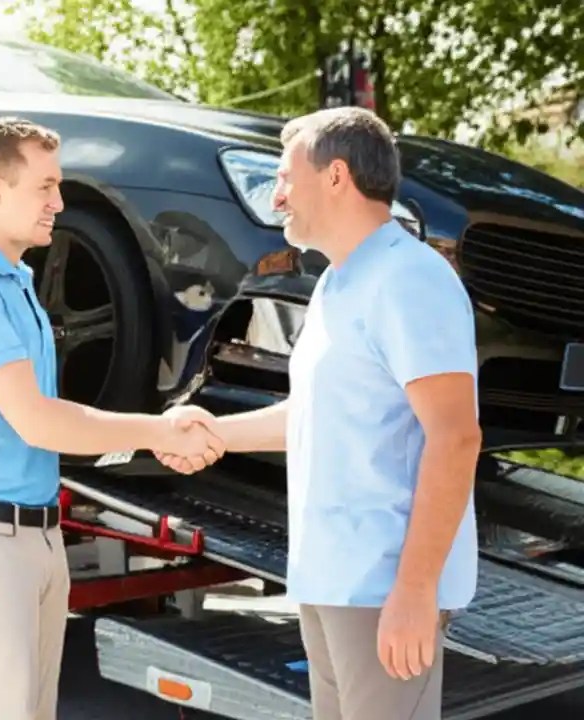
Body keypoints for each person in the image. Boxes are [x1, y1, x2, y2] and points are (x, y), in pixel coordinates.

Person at [159, 106, 482, 720]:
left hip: (383, 587)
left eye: (284, 177)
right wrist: (210, 432)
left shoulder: (409, 279)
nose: (276, 196)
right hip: (329, 581)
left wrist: (414, 592)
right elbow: (313, 416)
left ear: (336, 176)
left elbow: (457, 437)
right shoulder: (339, 282)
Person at [0, 116, 225, 720]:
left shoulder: (14, 281)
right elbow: (40, 422)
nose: (59, 201)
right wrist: (157, 430)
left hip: (30, 536)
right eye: (45, 186)